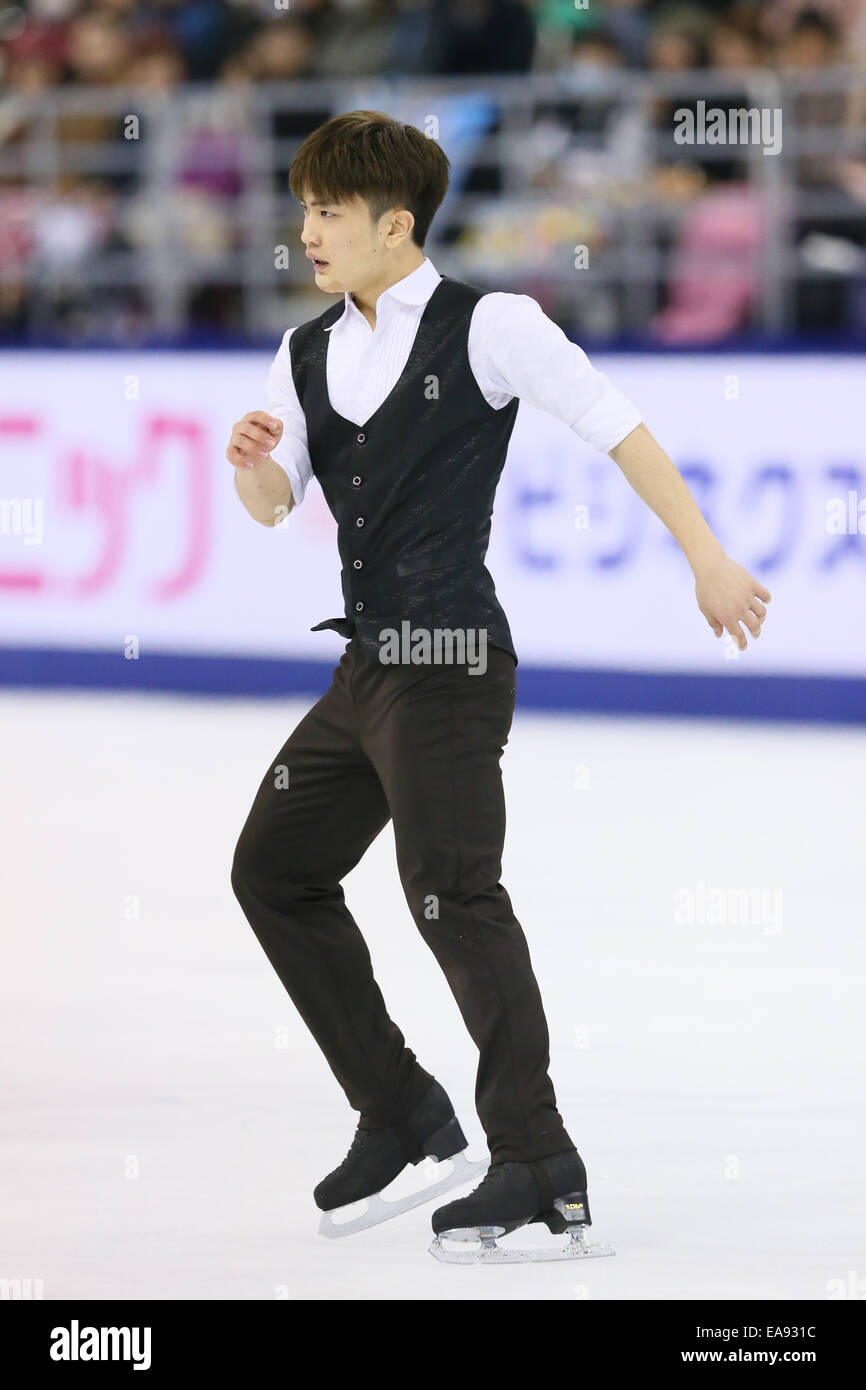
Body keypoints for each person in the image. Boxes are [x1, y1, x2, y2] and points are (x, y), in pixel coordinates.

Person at [227, 110, 770, 1254]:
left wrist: (706, 555)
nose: (308, 231)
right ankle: (402, 1110)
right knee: (272, 869)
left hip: (453, 667)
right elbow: (278, 508)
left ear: (395, 224)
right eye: (305, 208)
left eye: (328, 211)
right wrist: (253, 476)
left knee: (452, 898)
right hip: (367, 666)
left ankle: (536, 1158)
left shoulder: (492, 326)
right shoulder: (308, 349)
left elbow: (615, 426)